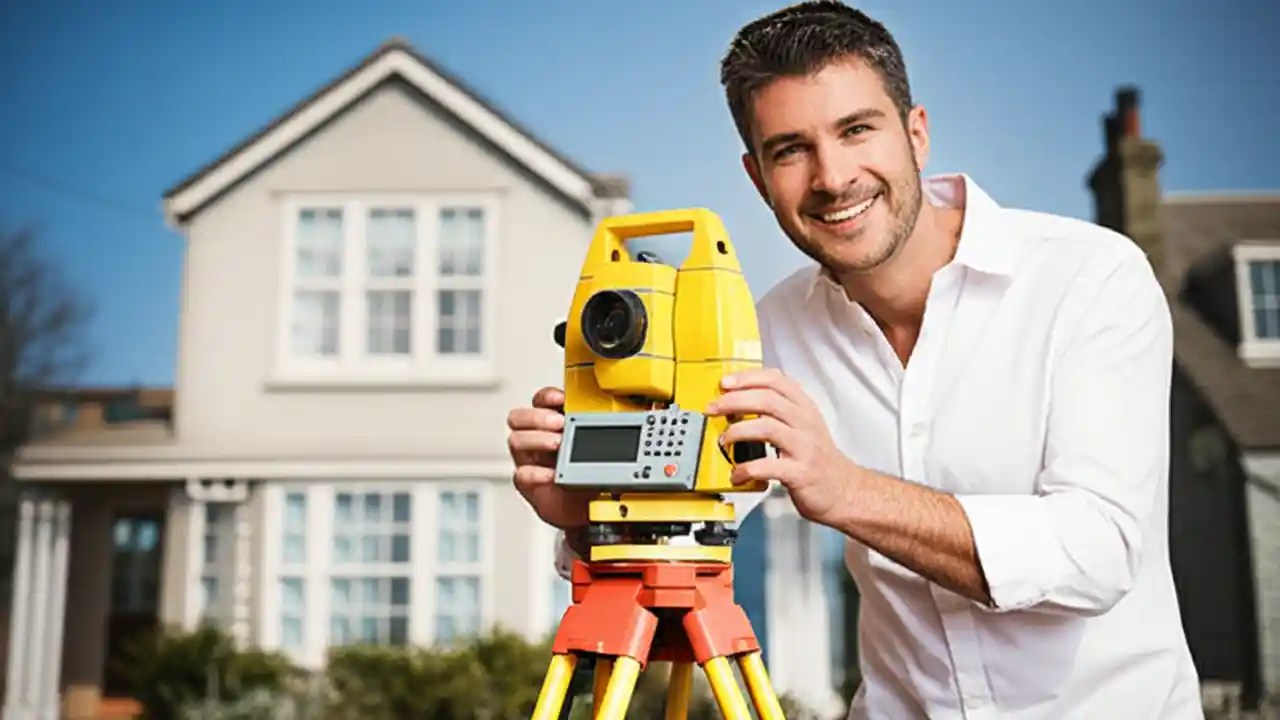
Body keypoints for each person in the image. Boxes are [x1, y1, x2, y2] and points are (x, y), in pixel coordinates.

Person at [506, 2, 1204, 718]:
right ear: (757, 177)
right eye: (790, 150)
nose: (833, 177)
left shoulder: (1090, 280)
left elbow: (1099, 551)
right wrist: (588, 515)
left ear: (917, 133)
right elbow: (688, 531)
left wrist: (847, 490)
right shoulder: (761, 333)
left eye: (856, 130)